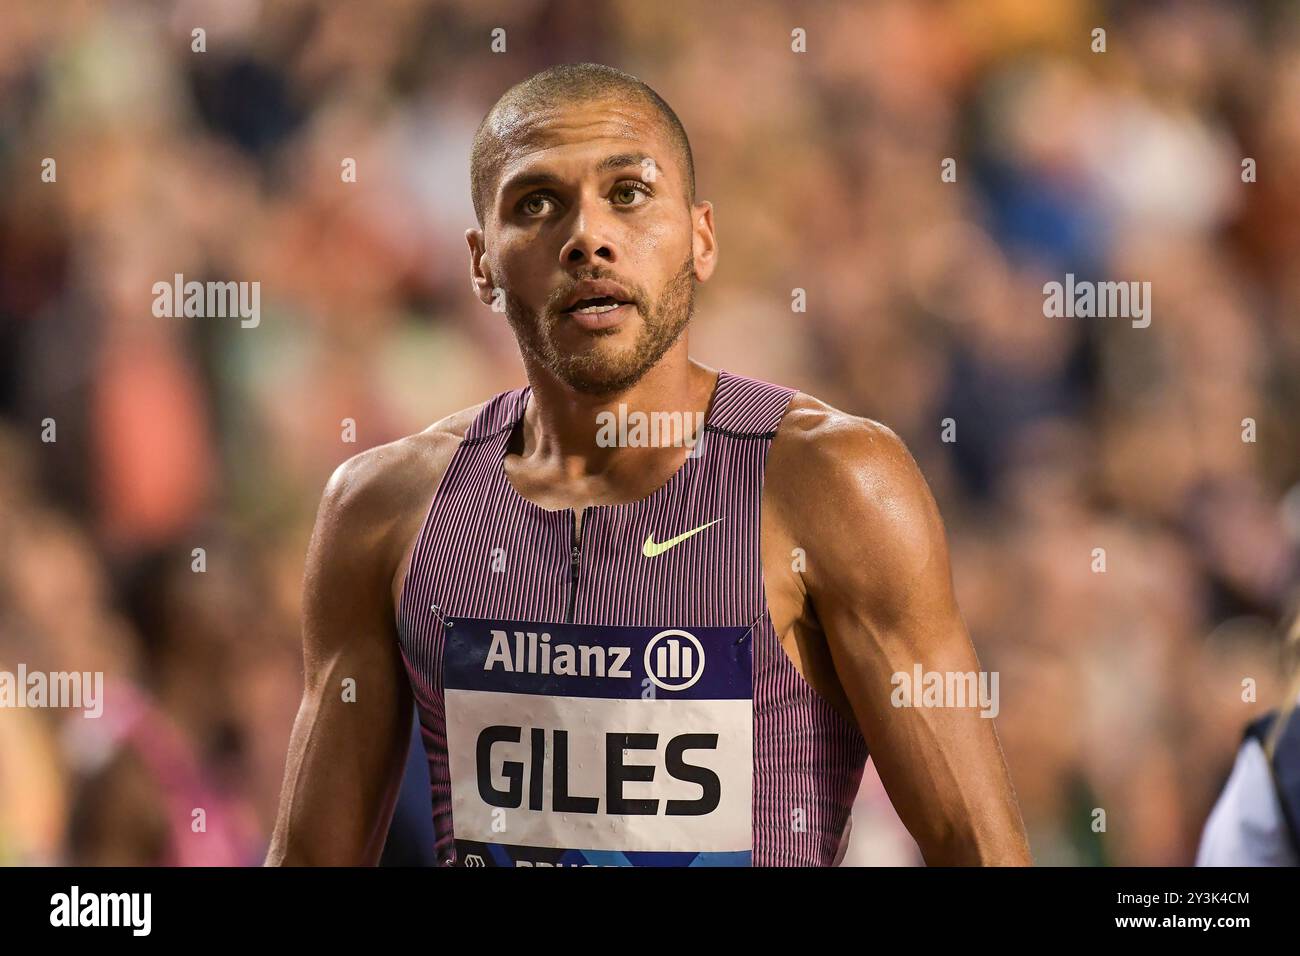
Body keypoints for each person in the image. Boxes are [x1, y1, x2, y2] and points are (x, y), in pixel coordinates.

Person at [266, 62, 1031, 867]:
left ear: (701, 237)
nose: (587, 238)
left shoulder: (832, 481)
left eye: (628, 193)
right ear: (481, 263)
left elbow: (975, 848)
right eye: (537, 204)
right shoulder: (382, 509)